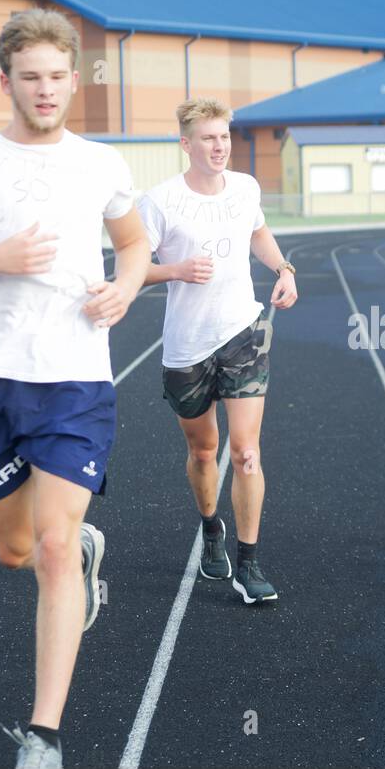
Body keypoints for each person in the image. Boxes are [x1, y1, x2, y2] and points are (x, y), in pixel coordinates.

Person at [0, 8, 150, 769]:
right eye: (30, 77)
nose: (45, 90)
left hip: (76, 375)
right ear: (5, 81)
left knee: (46, 549)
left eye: (56, 77)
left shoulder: (103, 163)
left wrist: (128, 287)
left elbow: (135, 242)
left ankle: (43, 736)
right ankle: (78, 548)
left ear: (75, 81)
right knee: (15, 550)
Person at [137, 98, 297, 605]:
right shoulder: (160, 200)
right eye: (208, 137)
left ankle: (249, 566)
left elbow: (258, 232)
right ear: (186, 144)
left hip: (242, 331)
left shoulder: (246, 187)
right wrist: (175, 270)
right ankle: (211, 528)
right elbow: (133, 267)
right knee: (204, 450)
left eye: (224, 136)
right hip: (187, 347)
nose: (219, 145)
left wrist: (283, 269)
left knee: (246, 452)